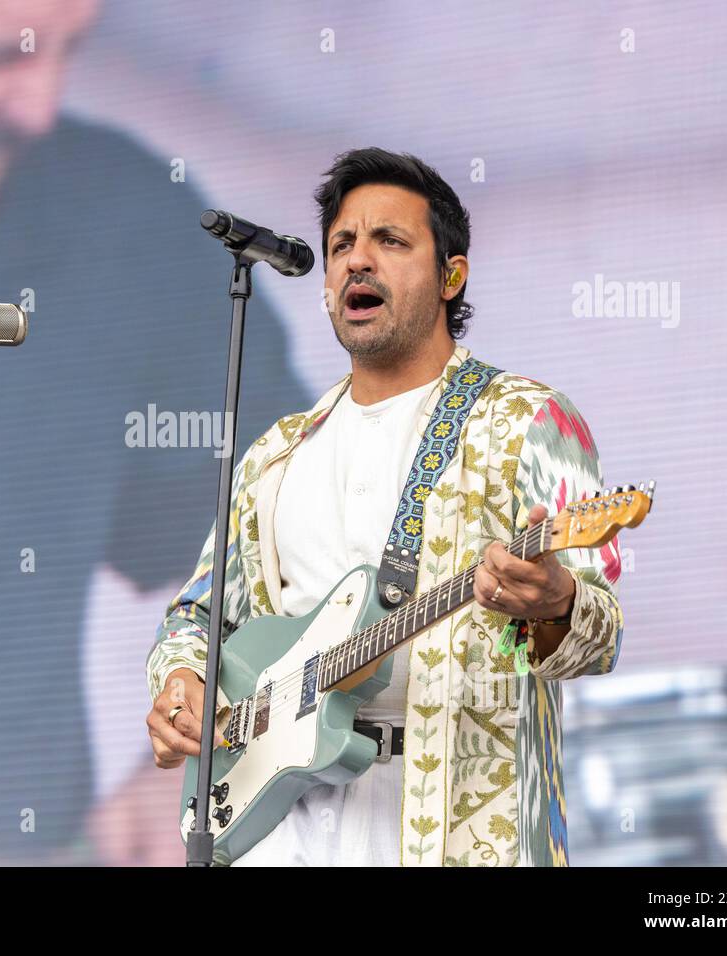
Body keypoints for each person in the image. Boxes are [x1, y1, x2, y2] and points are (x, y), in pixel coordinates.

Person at [0, 0, 309, 862]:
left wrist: (231, 747)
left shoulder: (121, 235)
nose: (36, 111)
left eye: (65, 53)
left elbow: (321, 526)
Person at [145, 148, 625, 866]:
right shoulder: (274, 455)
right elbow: (198, 614)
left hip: (459, 825)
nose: (356, 262)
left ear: (450, 275)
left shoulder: (528, 419)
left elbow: (602, 635)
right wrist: (181, 680)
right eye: (342, 245)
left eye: (390, 242)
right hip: (278, 821)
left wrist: (555, 605)